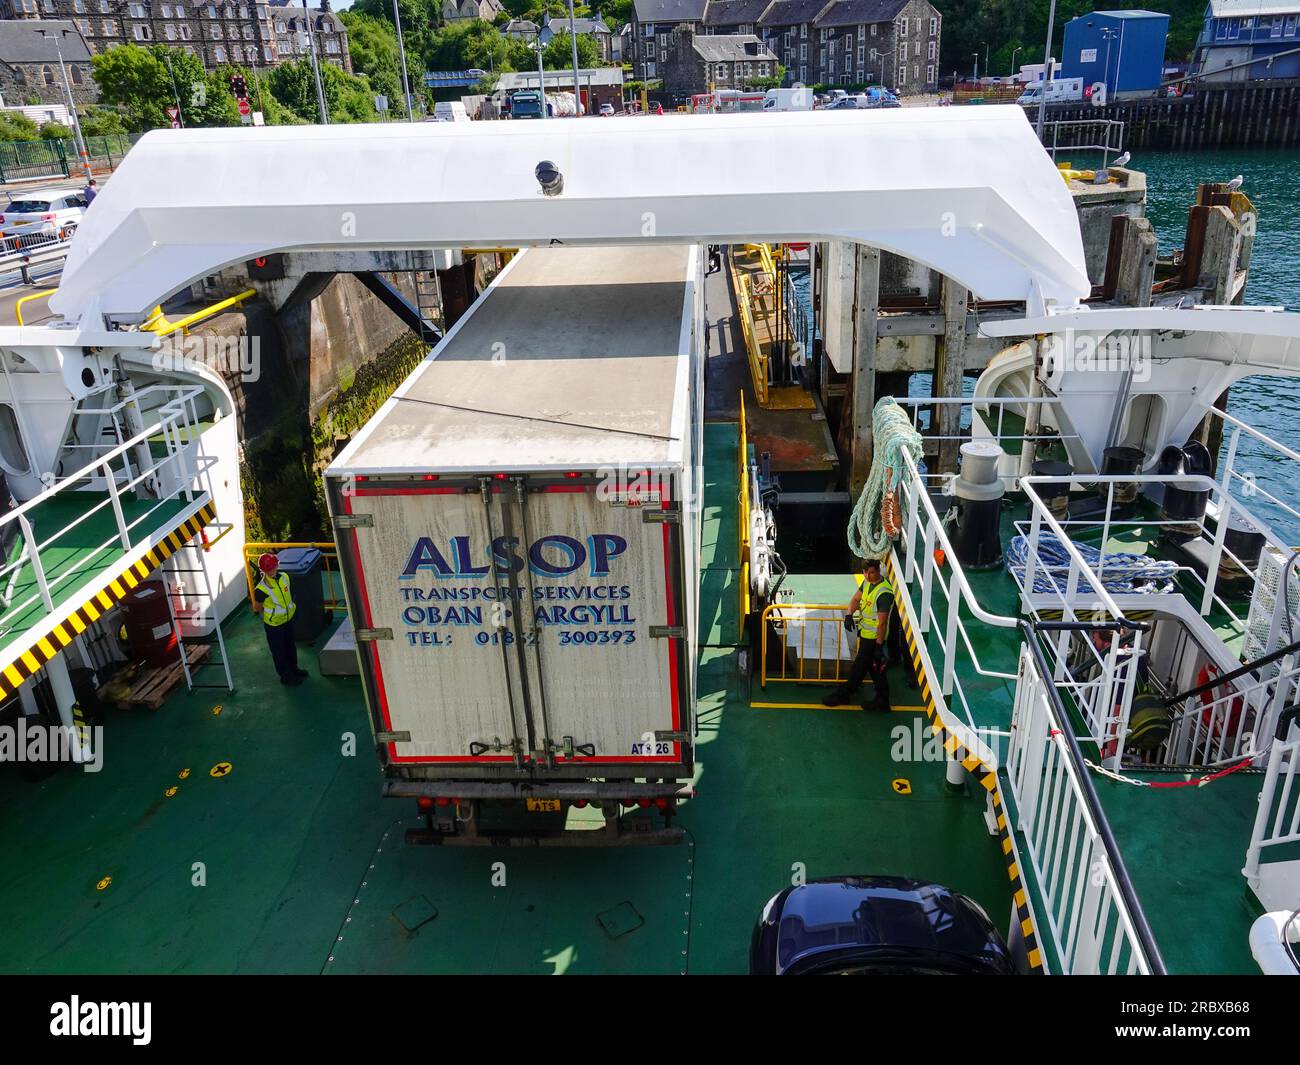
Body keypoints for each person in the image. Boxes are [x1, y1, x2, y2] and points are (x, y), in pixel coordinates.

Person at [823, 558, 894, 712]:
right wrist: (849, 615)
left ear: (878, 571)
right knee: (875, 668)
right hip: (866, 635)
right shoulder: (867, 583)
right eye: (865, 573)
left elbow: (882, 623)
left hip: (874, 638)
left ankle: (845, 693)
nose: (868, 576)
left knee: (859, 666)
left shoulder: (884, 593)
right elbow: (856, 599)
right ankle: (882, 700)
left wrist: (879, 646)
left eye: (872, 573)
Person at [252, 553, 307, 686]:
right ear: (263, 571)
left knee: (290, 646)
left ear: (277, 566)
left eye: (273, 567)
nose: (272, 571)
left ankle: (294, 668)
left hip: (287, 620)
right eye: (268, 569)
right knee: (279, 650)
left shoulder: (285, 577)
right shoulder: (261, 589)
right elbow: (256, 608)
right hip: (274, 625)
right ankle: (285, 675)